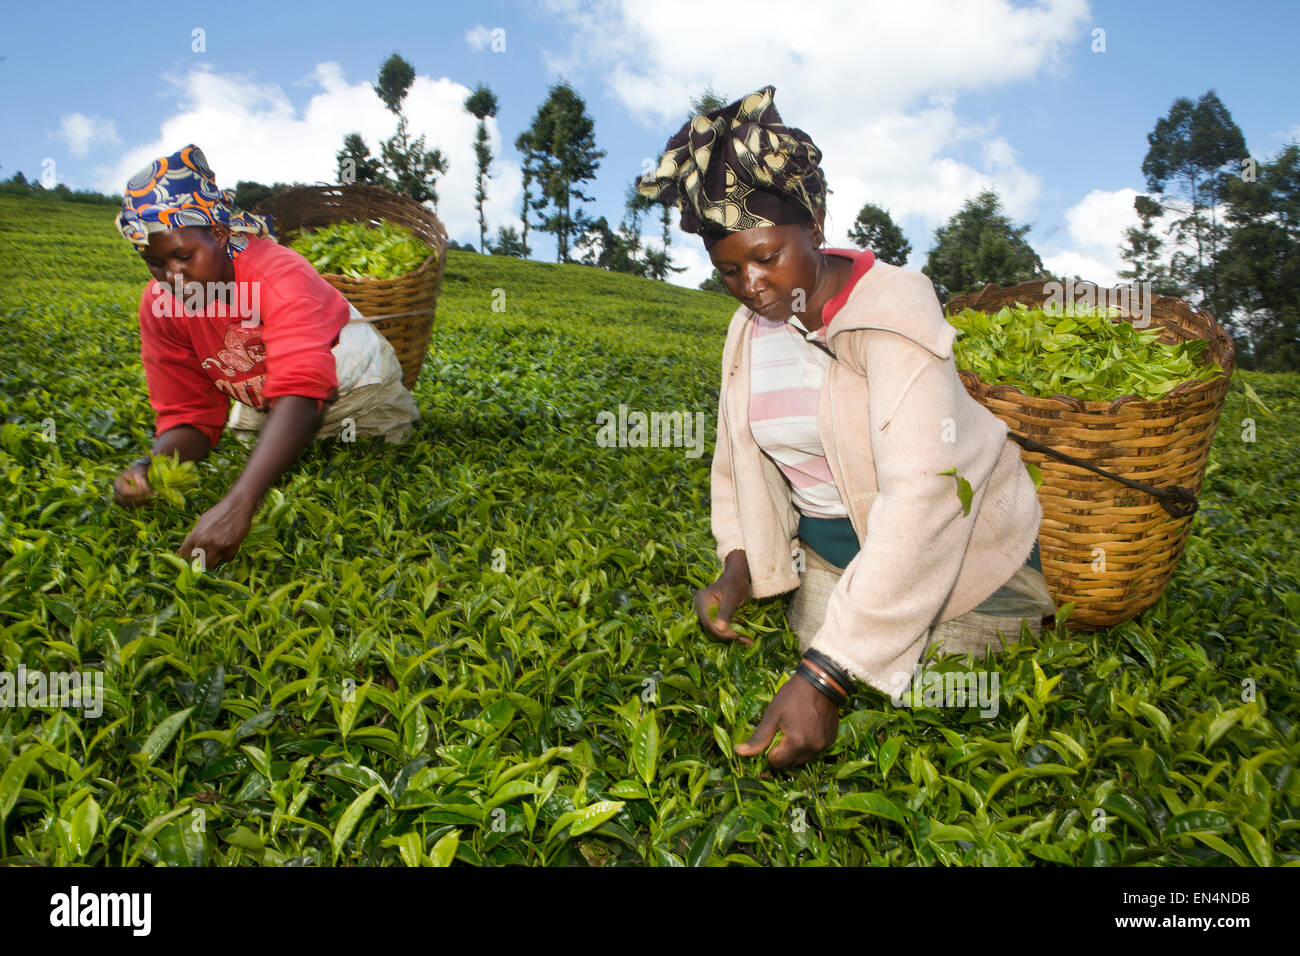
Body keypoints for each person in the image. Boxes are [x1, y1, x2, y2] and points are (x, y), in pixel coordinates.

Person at [637, 87, 1057, 770]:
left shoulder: (893, 316)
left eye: (767, 256)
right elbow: (736, 458)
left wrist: (825, 679)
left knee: (933, 708)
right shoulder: (747, 333)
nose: (750, 285)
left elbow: (927, 497)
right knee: (822, 662)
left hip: (959, 563)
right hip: (839, 559)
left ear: (817, 223)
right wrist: (738, 567)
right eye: (728, 271)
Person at [110, 144, 420, 567]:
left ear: (218, 235)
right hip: (267, 397)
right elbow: (192, 415)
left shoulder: (278, 274)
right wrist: (151, 464)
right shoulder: (163, 306)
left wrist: (240, 504)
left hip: (357, 385)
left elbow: (300, 389)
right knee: (266, 439)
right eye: (156, 264)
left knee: (375, 457)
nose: (173, 277)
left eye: (184, 256)